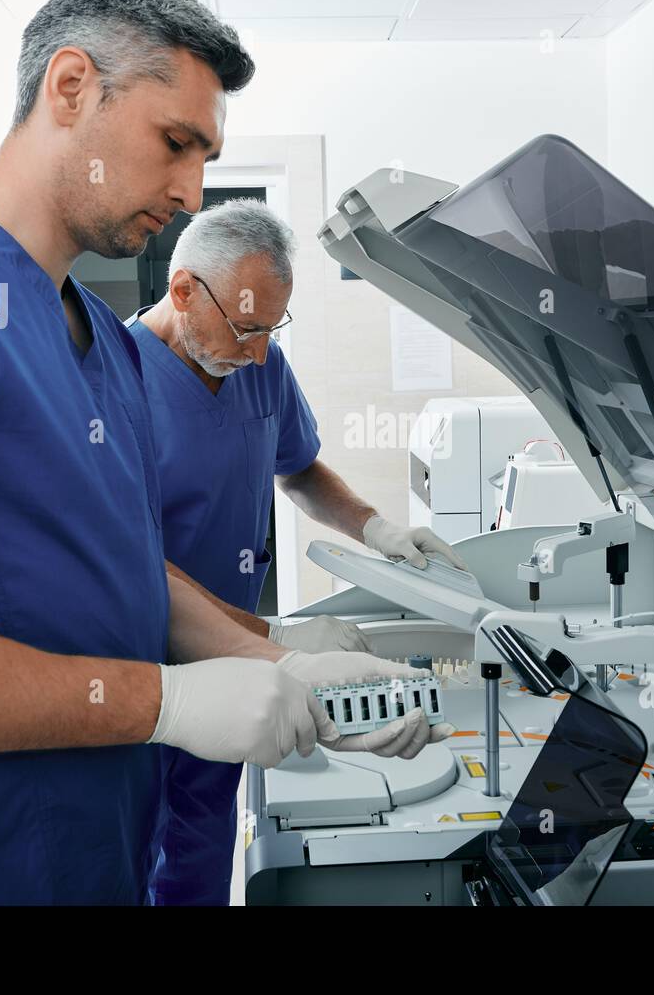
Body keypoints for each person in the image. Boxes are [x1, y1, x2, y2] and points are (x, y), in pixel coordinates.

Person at [0, 0, 438, 906]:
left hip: (91, 853)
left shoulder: (103, 347)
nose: (193, 192)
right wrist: (168, 703)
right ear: (70, 87)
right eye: (175, 143)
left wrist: (285, 669)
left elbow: (117, 569)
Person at [128, 199, 467, 904]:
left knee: (200, 849)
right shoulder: (114, 385)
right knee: (131, 853)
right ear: (184, 290)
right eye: (247, 329)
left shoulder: (262, 366)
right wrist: (278, 637)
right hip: (146, 669)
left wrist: (379, 529)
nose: (258, 353)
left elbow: (299, 467)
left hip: (240, 663)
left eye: (271, 330)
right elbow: (136, 568)